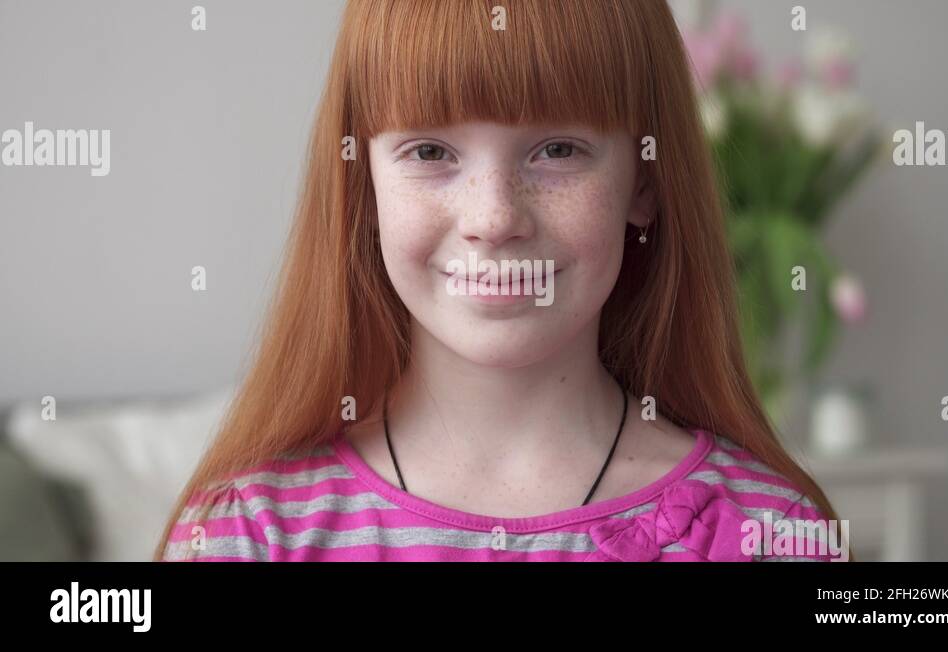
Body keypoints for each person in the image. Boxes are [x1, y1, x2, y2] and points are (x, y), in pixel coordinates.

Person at [156, 0, 844, 562]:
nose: (494, 218)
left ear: (645, 182)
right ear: (363, 185)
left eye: (559, 150)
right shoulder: (246, 535)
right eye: (429, 151)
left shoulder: (771, 535)